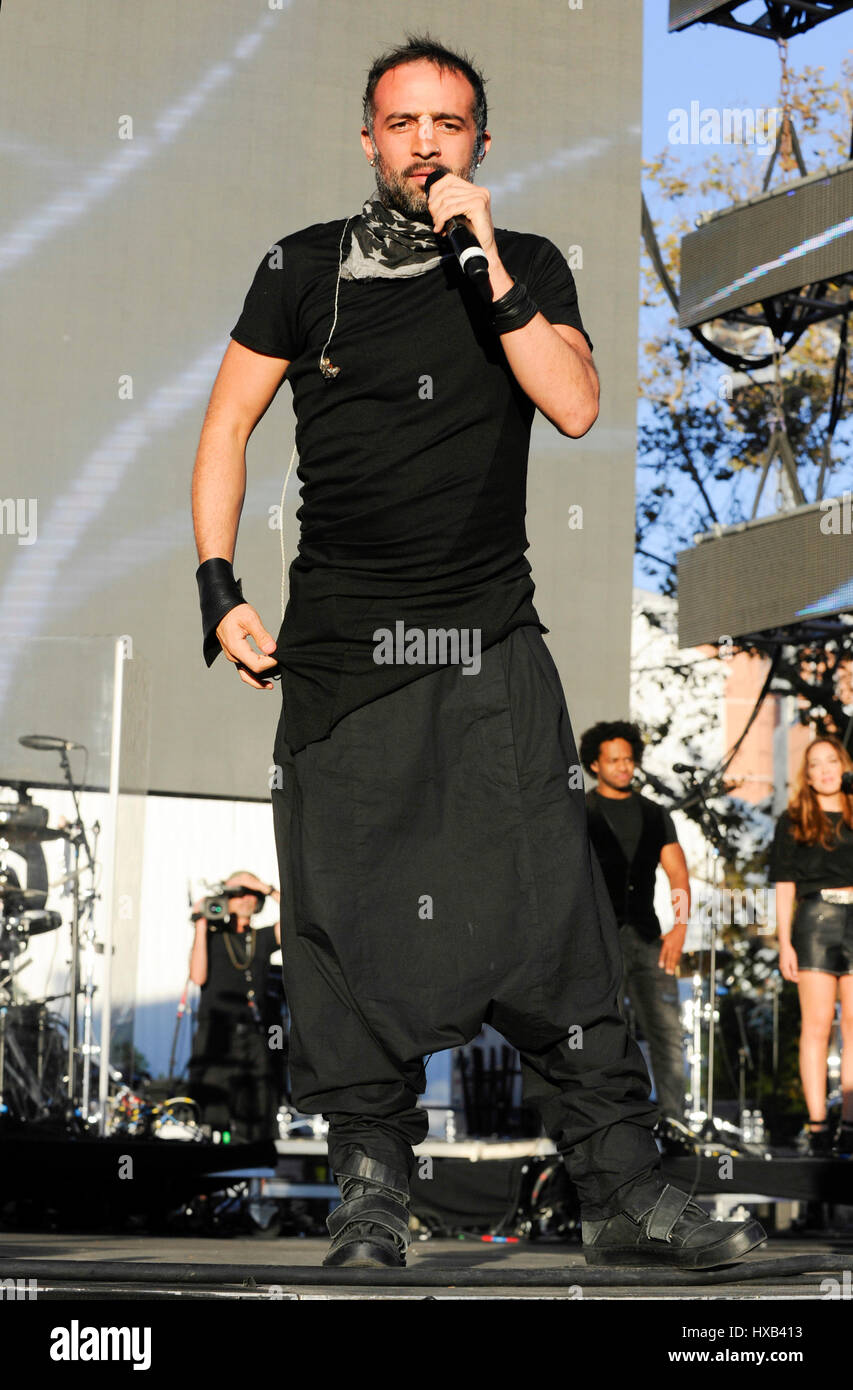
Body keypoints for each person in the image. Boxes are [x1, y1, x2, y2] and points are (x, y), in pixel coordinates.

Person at [191, 33, 764, 1269]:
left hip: (489, 645)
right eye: (402, 123)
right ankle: (371, 1194)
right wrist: (218, 587)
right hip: (341, 657)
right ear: (367, 138)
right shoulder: (298, 268)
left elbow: (572, 402)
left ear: (480, 144)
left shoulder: (527, 264)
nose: (424, 142)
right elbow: (228, 422)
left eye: (448, 123)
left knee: (552, 914)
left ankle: (619, 1190)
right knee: (342, 925)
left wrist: (485, 259)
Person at [580, 721, 689, 1129]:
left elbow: (678, 874)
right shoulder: (580, 812)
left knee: (667, 1030)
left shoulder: (655, 814)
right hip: (598, 940)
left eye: (628, 759)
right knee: (610, 1031)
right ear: (595, 764)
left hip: (648, 936)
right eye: (614, 760)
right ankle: (616, 1121)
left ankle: (674, 1120)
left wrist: (680, 927)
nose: (624, 767)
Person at [769, 736, 853, 1157]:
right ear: (807, 773)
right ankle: (819, 1126)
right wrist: (784, 942)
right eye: (815, 763)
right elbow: (785, 886)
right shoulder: (793, 820)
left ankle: (851, 1125)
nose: (824, 770)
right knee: (817, 1026)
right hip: (815, 922)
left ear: (844, 765)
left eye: (831, 761)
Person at [186, 871, 284, 1143]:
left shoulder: (262, 938)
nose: (243, 898)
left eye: (248, 893)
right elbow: (198, 976)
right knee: (213, 1116)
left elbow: (300, 917)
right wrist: (201, 923)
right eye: (236, 893)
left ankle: (255, 1170)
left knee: (258, 1114)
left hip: (254, 1035)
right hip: (217, 1034)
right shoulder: (213, 937)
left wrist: (265, 887)